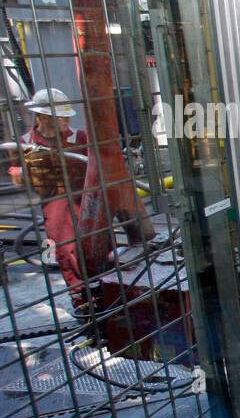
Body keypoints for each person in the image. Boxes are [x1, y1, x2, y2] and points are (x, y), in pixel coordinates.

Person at [15, 88, 153, 310]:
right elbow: (19, 177)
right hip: (57, 210)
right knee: (68, 253)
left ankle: (109, 296)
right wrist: (23, 174)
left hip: (90, 206)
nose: (66, 120)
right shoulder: (24, 144)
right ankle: (84, 303)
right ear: (42, 117)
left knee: (101, 247)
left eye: (66, 116)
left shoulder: (81, 138)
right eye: (61, 116)